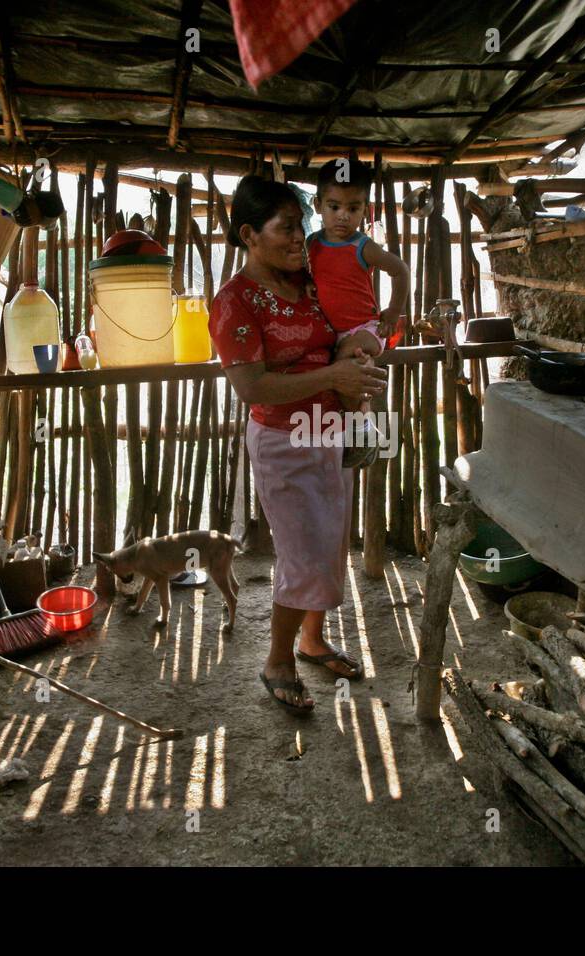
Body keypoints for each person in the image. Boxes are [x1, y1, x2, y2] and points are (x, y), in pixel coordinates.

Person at [208, 175, 388, 714]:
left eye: (301, 226)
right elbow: (253, 387)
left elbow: (355, 324)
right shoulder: (235, 302)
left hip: (328, 432)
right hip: (282, 440)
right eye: (286, 228)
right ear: (248, 234)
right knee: (302, 551)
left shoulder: (311, 284)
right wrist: (335, 376)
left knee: (330, 543)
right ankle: (278, 660)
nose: (298, 238)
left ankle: (312, 640)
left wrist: (361, 348)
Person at [308, 157, 410, 467]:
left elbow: (401, 270)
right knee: (346, 378)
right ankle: (360, 429)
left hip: (366, 329)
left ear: (365, 210)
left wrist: (394, 311)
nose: (343, 216)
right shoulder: (312, 245)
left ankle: (363, 429)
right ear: (317, 204)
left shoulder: (362, 246)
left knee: (345, 363)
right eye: (334, 206)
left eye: (353, 208)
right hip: (334, 334)